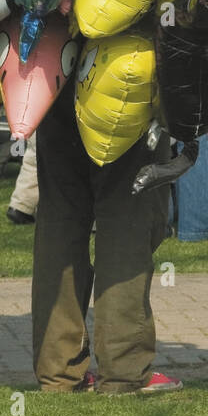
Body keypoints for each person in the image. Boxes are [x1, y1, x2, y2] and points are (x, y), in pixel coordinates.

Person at [32, 88, 183, 395]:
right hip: (128, 84)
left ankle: (58, 372)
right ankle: (124, 372)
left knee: (60, 223)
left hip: (52, 82)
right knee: (126, 223)